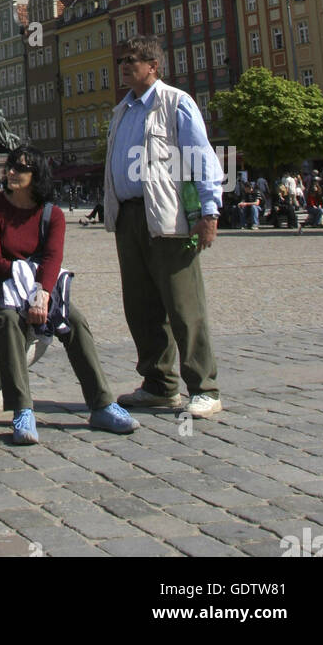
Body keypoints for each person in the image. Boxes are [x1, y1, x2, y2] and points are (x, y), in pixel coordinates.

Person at [0, 145, 137, 443]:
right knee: (9, 319)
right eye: (10, 166)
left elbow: (52, 259)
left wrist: (40, 294)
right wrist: (28, 286)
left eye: (19, 168)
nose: (10, 172)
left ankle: (101, 403)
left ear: (36, 175)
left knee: (75, 319)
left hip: (38, 287)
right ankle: (22, 410)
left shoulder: (52, 215)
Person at [103, 35, 223, 418]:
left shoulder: (176, 103)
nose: (124, 65)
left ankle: (204, 387)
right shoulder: (122, 109)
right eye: (122, 59)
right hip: (129, 216)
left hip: (168, 216)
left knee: (183, 304)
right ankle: (159, 384)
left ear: (153, 65)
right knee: (141, 307)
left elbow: (200, 156)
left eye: (132, 60)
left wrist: (209, 212)